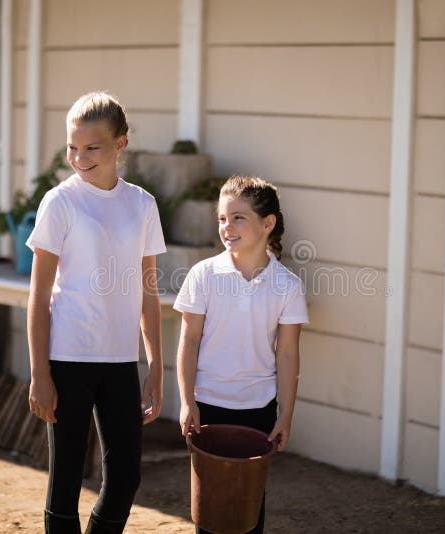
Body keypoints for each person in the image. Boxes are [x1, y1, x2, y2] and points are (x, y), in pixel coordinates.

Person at [26, 91, 166, 534]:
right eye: (72, 147)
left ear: (120, 144)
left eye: (92, 147)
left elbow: (148, 292)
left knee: (125, 478)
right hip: (67, 358)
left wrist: (156, 366)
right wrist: (40, 373)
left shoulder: (142, 204)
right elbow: (39, 296)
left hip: (120, 360)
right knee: (65, 481)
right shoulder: (60, 203)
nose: (79, 157)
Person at [175, 176, 308, 534]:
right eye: (222, 218)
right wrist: (187, 401)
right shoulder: (203, 275)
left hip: (258, 410)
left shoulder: (287, 286)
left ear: (268, 224)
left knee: (248, 510)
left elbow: (288, 355)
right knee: (211, 510)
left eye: (238, 218)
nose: (227, 227)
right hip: (207, 407)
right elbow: (189, 341)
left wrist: (285, 415)